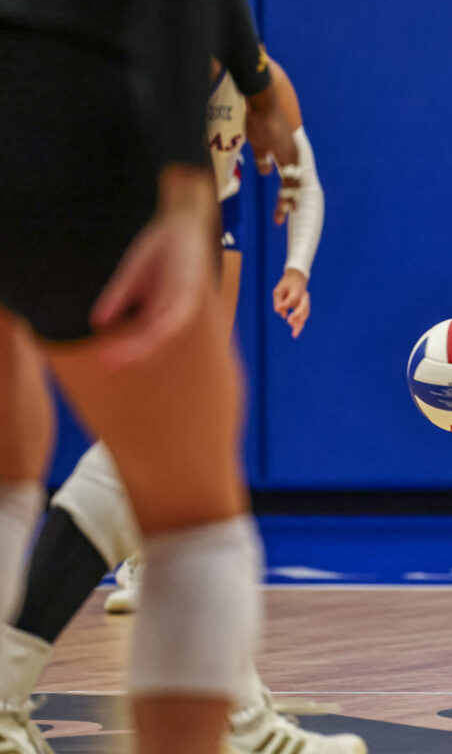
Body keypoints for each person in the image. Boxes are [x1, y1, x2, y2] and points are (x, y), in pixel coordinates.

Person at [0, 53, 365, 754]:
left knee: (150, 456)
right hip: (108, 192)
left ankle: (246, 720)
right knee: (160, 452)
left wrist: (296, 266)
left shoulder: (237, 56)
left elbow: (301, 169)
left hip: (159, 198)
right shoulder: (140, 22)